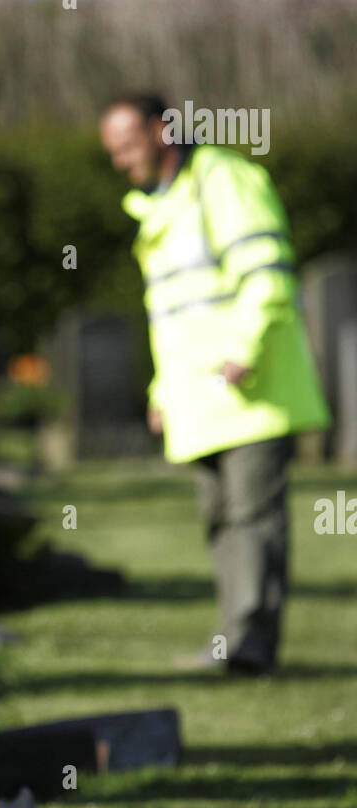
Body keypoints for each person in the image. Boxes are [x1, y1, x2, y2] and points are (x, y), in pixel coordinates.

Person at [99, 93, 330, 675]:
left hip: (251, 392)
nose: (121, 161)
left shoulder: (224, 181)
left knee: (253, 518)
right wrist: (161, 393)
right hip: (198, 402)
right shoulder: (159, 208)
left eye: (128, 145)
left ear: (161, 130)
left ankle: (251, 644)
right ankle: (232, 639)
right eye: (114, 151)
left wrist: (244, 350)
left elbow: (267, 273)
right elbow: (173, 315)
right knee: (221, 521)